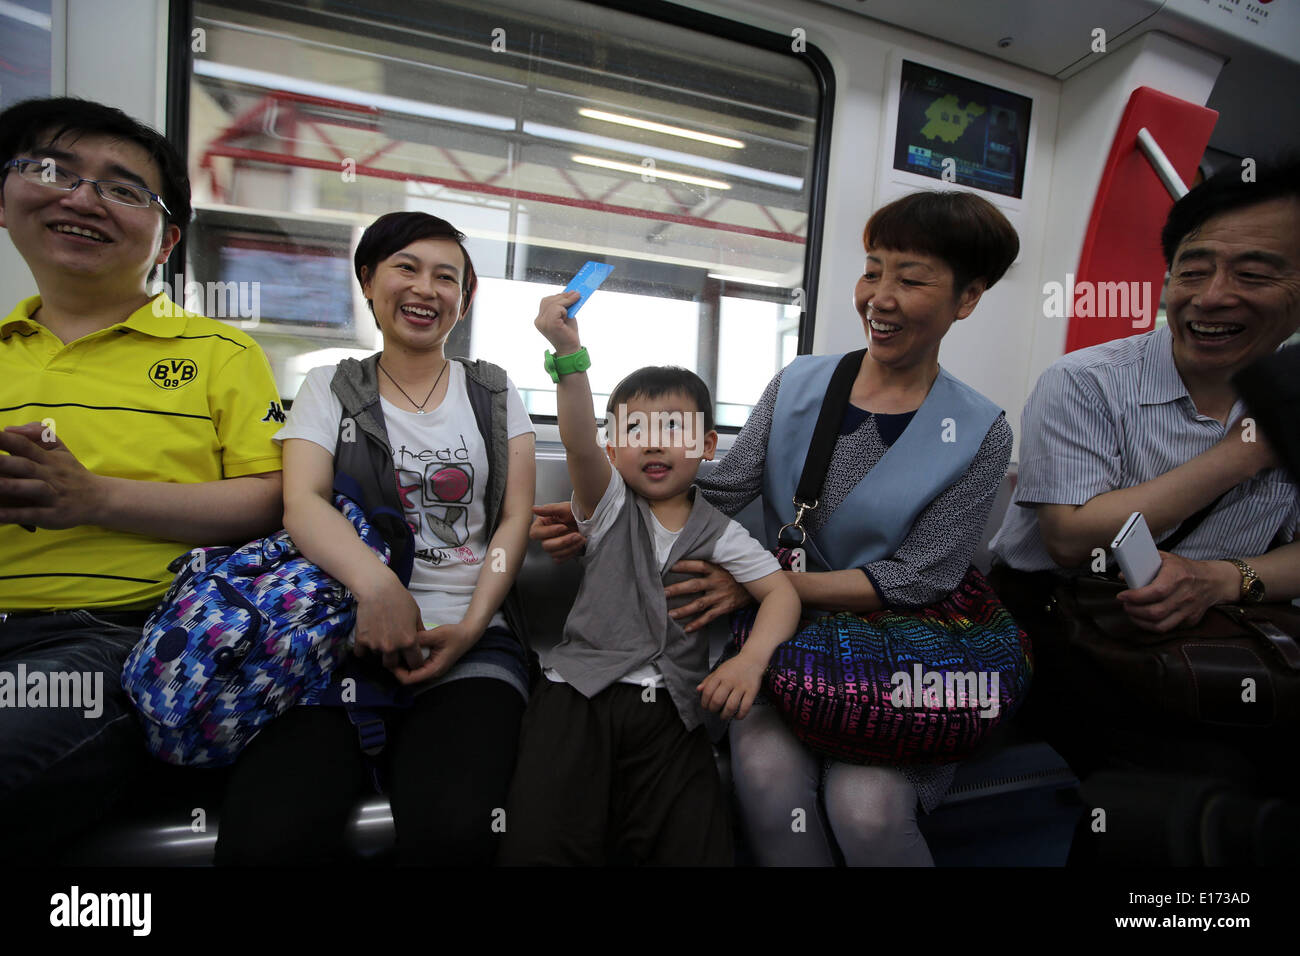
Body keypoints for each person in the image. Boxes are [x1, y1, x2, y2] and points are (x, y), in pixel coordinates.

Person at [531, 190, 1019, 865]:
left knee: (867, 810)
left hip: (891, 652)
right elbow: (725, 485)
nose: (879, 296)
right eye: (873, 269)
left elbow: (917, 578)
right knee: (764, 777)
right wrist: (615, 504)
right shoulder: (801, 383)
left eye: (910, 279)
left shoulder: (979, 432)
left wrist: (756, 583)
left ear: (967, 299)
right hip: (775, 639)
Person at [0, 97, 284, 860]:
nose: (82, 196)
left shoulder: (219, 351)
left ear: (166, 242)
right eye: (51, 171)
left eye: (123, 188)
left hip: (114, 635)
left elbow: (271, 501)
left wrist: (94, 498)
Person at [214, 211, 535, 866]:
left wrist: (475, 624)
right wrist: (378, 585)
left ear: (464, 298)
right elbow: (300, 500)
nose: (427, 289)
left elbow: (512, 522)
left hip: (468, 641)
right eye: (406, 268)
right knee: (267, 835)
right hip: (336, 639)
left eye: (447, 277)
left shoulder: (495, 392)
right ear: (368, 280)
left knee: (458, 831)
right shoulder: (331, 387)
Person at [988, 158, 1300, 793]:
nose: (1210, 296)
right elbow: (1073, 539)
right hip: (1067, 618)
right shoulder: (1087, 380)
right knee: (1192, 782)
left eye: (1254, 273)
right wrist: (1246, 451)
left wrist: (1219, 580)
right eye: (1193, 270)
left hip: (1221, 618)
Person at [500, 294, 800, 866]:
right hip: (578, 699)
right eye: (635, 429)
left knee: (692, 841)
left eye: (674, 428)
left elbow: (780, 593)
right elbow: (576, 441)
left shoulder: (722, 533)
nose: (655, 441)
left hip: (672, 709)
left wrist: (749, 660)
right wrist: (569, 356)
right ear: (614, 446)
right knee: (546, 836)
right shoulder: (608, 503)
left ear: (708, 446)